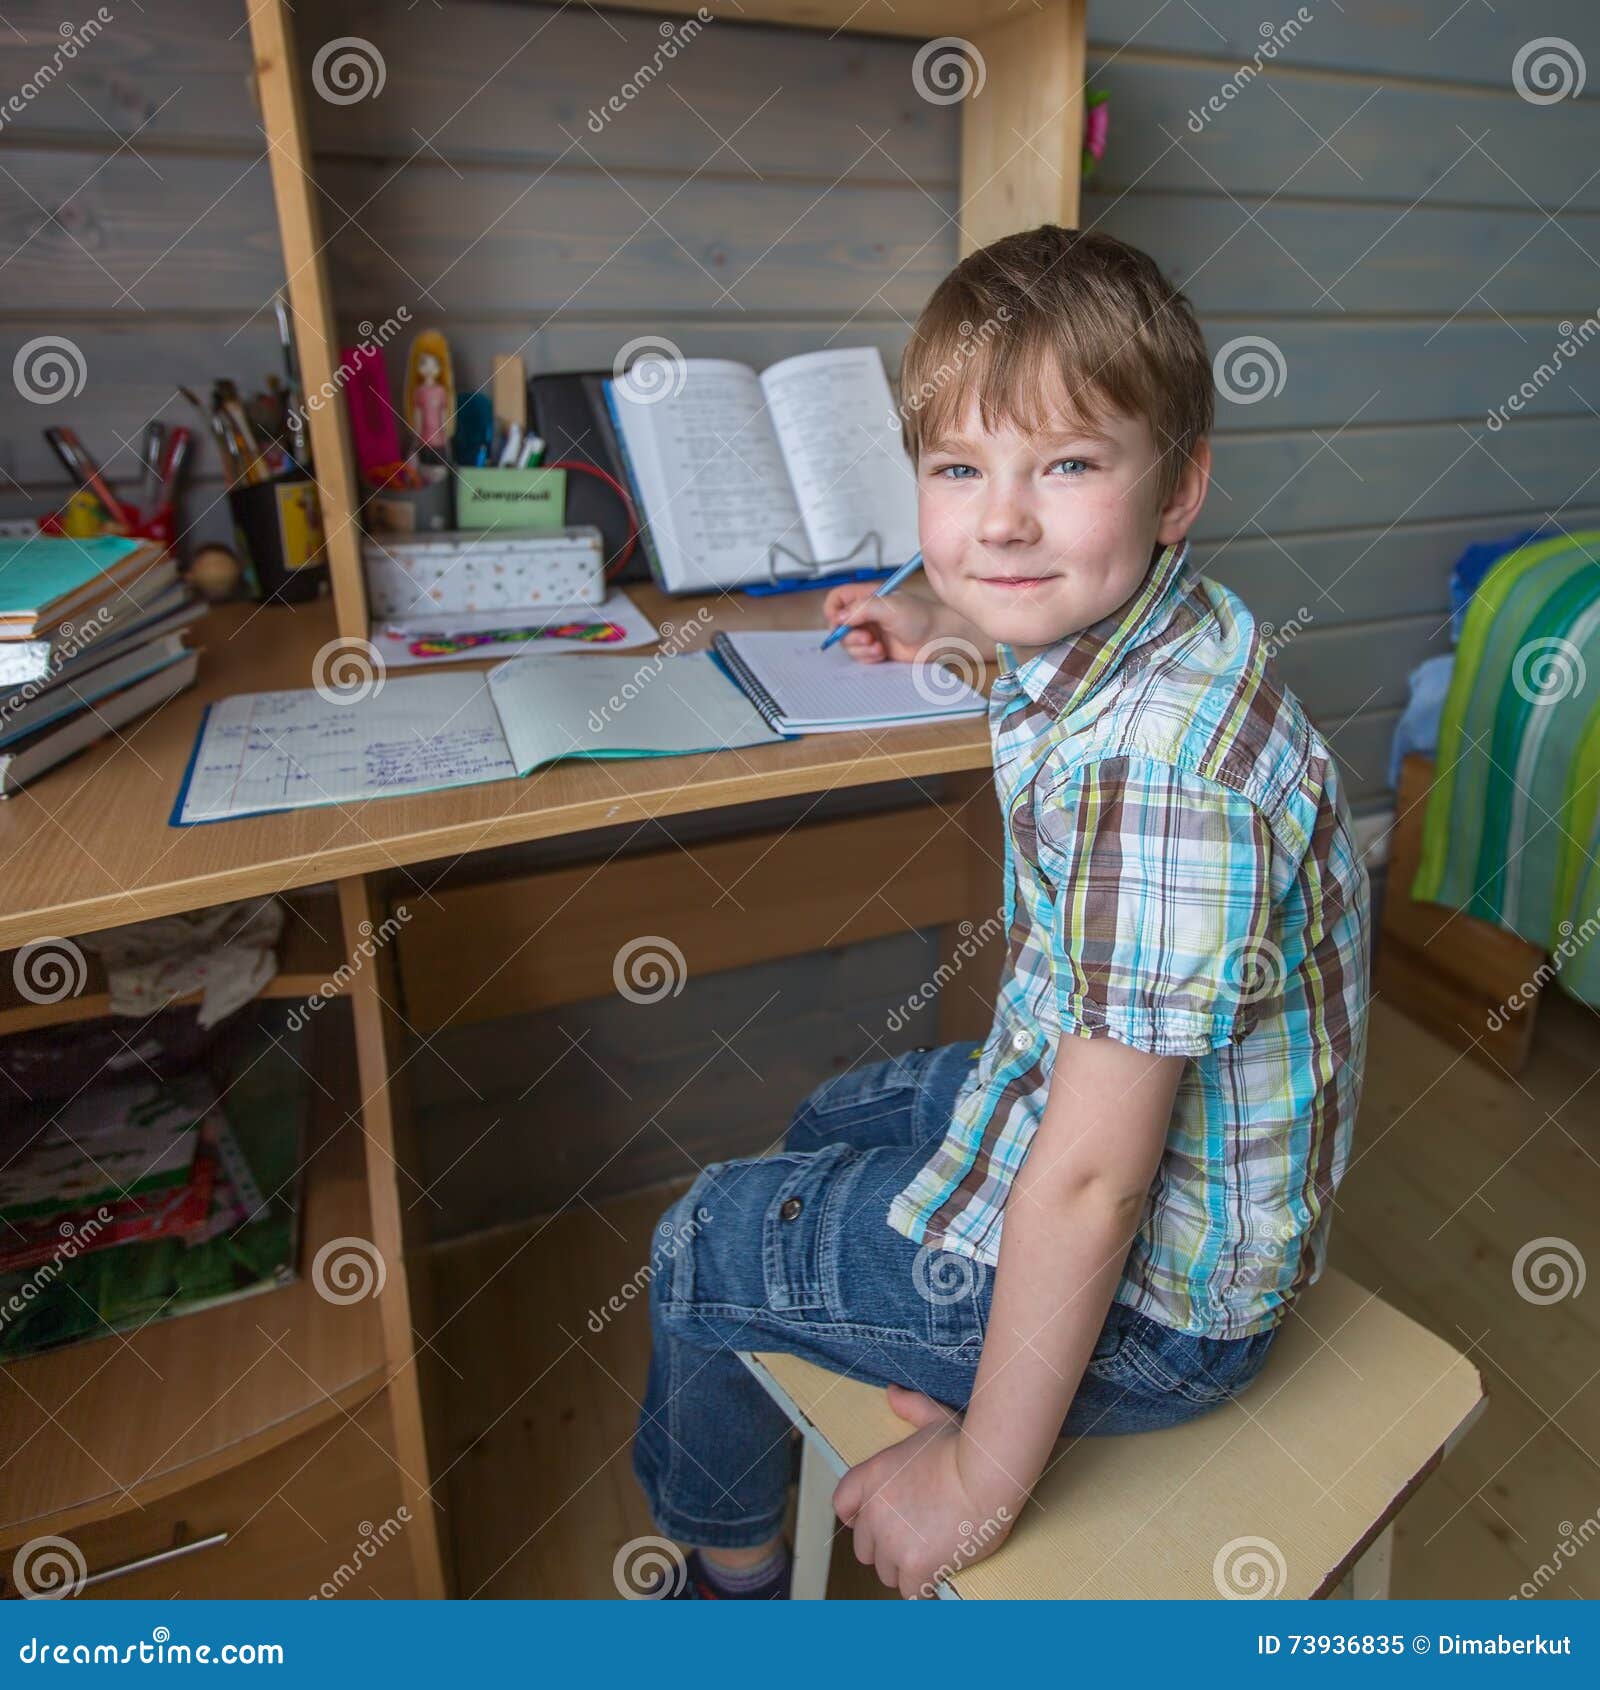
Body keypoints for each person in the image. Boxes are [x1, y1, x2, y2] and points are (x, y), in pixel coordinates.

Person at [632, 225, 1370, 1601]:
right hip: (1098, 1112)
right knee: (837, 1115)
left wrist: (981, 1473)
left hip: (1167, 1310)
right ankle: (912, 1341)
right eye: (960, 470)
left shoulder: (1161, 777)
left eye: (1068, 464)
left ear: (1178, 486)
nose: (1003, 520)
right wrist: (940, 623)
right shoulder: (1154, 624)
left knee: (698, 1241)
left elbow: (1093, 1185)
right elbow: (1032, 584)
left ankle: (731, 1590)